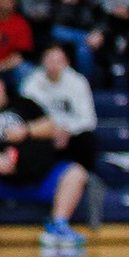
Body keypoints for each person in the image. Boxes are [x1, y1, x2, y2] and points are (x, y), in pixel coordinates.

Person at [0, 70, 90, 255]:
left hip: (41, 179)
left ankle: (59, 226)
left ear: (2, 86)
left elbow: (50, 126)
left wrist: (26, 131)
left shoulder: (25, 104)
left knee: (76, 173)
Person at [21, 43, 98, 171]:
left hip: (72, 133)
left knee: (87, 139)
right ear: (42, 61)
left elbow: (89, 120)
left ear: (67, 62)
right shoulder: (31, 85)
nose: (54, 65)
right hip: (45, 134)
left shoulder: (78, 82)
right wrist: (51, 131)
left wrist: (68, 131)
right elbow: (27, 119)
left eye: (58, 61)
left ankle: (85, 177)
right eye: (50, 60)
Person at [50, 0, 105, 78]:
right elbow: (57, 26)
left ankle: (84, 84)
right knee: (57, 32)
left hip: (87, 42)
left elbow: (102, 20)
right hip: (63, 41)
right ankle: (84, 38)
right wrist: (65, 2)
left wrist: (98, 32)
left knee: (83, 49)